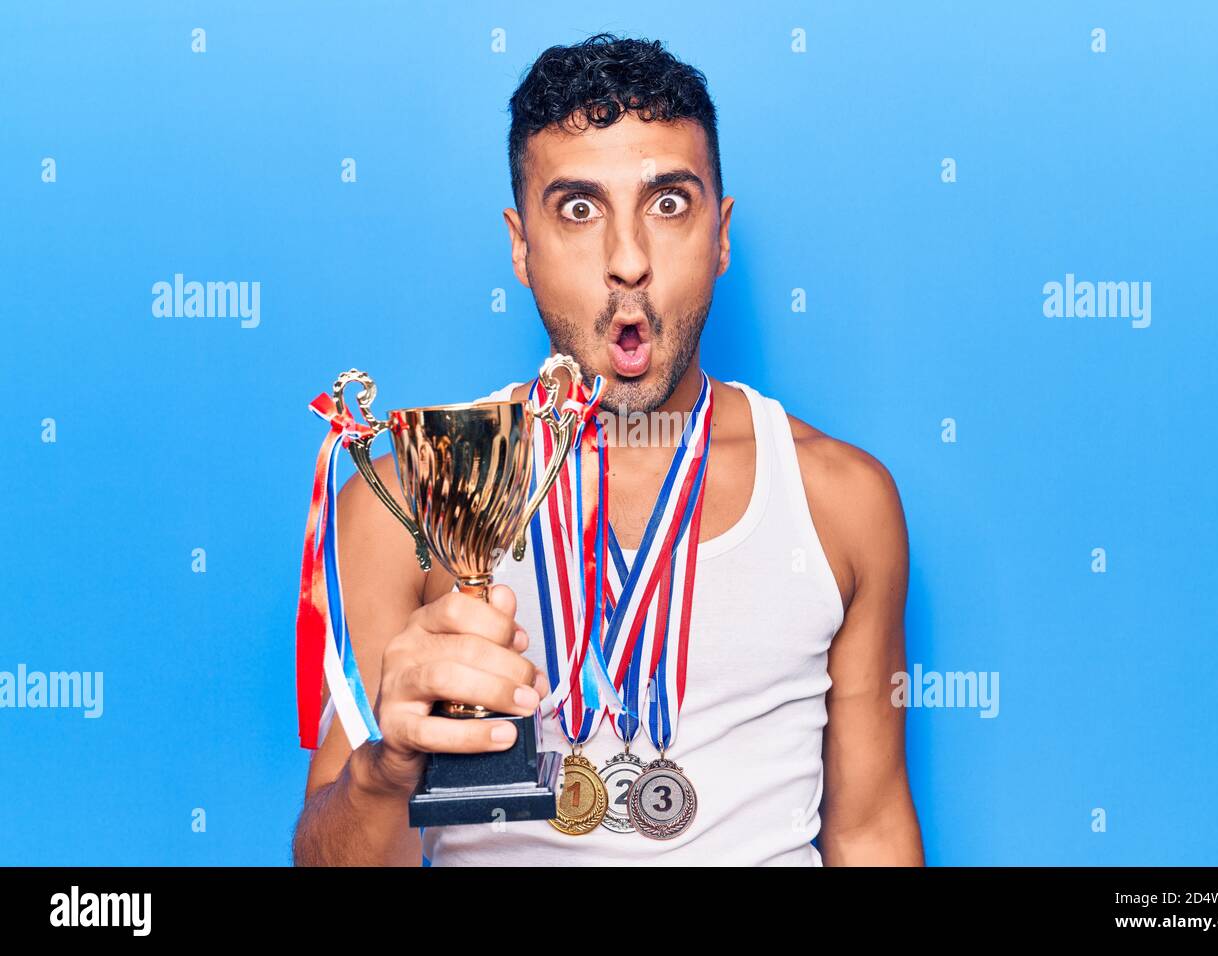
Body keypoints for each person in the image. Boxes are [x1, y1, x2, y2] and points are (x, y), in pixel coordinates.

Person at [291, 32, 924, 866]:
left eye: (668, 203)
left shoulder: (842, 501)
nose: (628, 260)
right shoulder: (414, 491)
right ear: (520, 246)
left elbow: (870, 829)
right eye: (579, 210)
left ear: (722, 233)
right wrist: (386, 769)